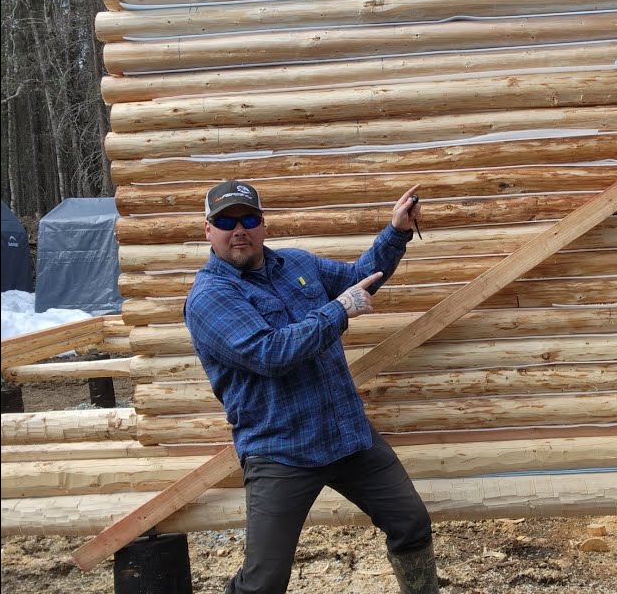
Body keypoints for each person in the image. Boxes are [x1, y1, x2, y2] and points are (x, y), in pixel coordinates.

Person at [183, 179, 438, 594]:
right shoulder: (210, 296)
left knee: (411, 523)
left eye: (248, 219)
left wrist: (396, 232)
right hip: (281, 449)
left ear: (263, 224)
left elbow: (358, 279)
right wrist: (338, 310)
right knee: (263, 582)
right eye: (226, 222)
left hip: (346, 435)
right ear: (208, 230)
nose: (239, 230)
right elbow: (269, 353)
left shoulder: (298, 264)